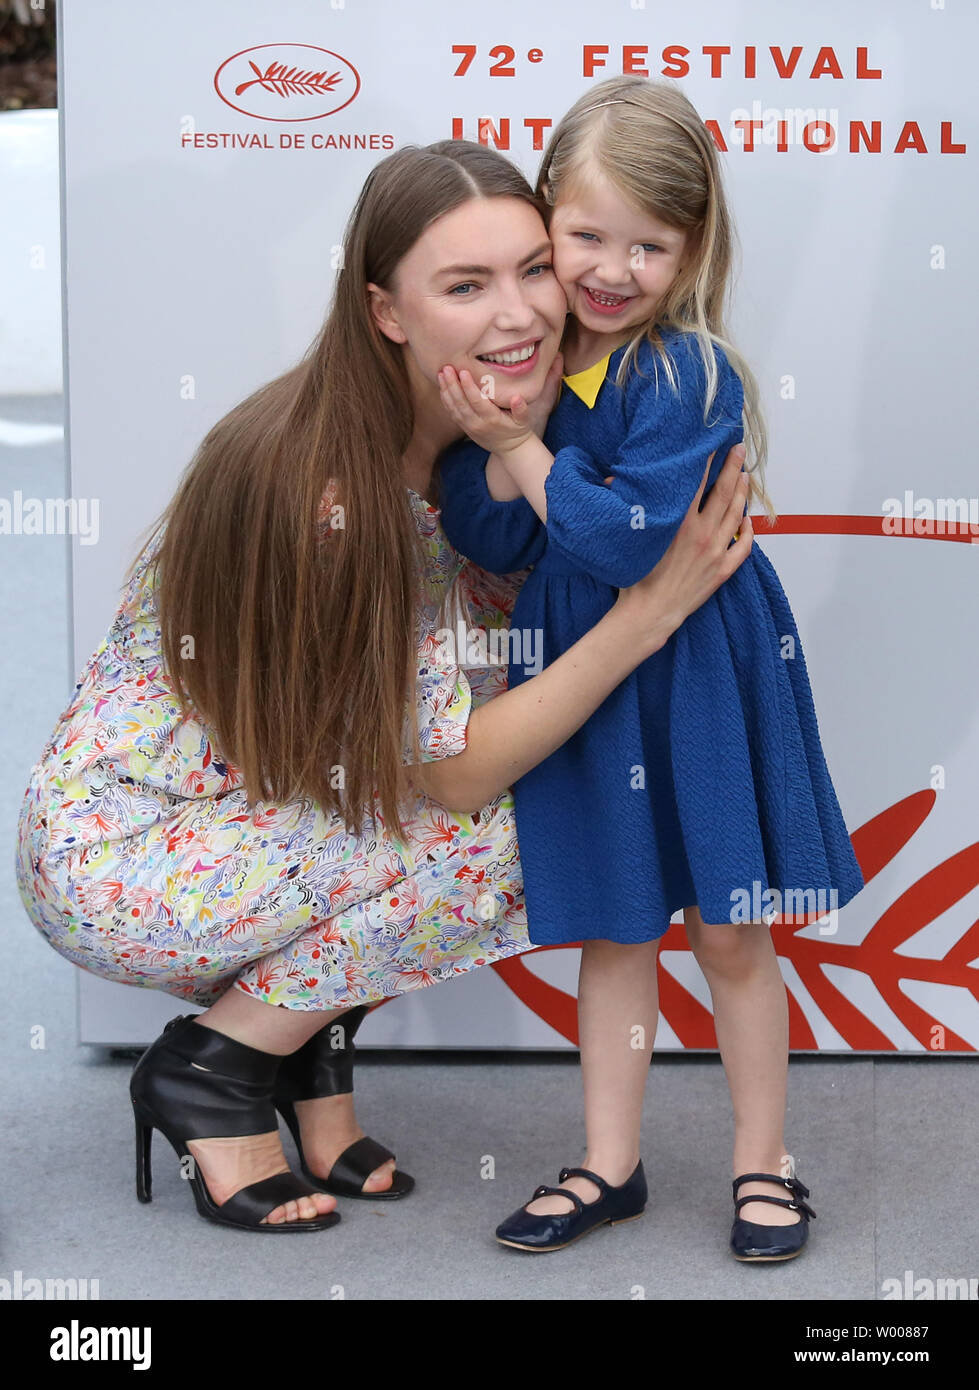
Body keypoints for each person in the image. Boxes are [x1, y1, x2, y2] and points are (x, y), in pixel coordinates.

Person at [15, 137, 752, 1235]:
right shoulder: (331, 486)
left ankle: (309, 1064)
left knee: (509, 772)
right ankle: (214, 1070)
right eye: (464, 286)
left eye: (532, 269)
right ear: (387, 311)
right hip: (132, 858)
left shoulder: (491, 439)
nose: (521, 314)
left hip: (261, 814)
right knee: (536, 816)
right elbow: (451, 775)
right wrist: (650, 614)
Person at [436, 79, 864, 1260]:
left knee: (730, 930)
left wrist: (520, 445)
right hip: (590, 670)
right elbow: (503, 534)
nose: (613, 269)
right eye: (586, 236)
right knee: (616, 930)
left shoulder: (688, 373)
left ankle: (761, 1162)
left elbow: (628, 540)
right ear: (544, 223)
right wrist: (488, 441)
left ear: (692, 248)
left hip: (700, 669)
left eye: (649, 244)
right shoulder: (538, 359)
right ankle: (608, 1164)